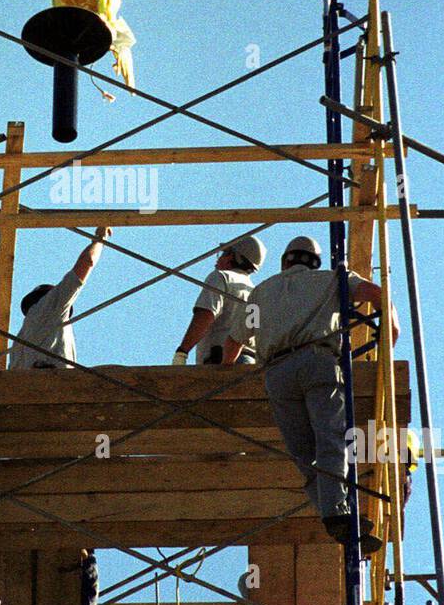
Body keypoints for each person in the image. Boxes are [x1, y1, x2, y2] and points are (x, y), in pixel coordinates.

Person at [223, 235, 400, 552]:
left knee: (304, 455)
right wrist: (392, 329)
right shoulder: (333, 279)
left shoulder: (262, 291)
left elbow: (234, 343)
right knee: (330, 442)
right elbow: (376, 295)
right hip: (316, 362)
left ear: (285, 261)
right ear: (315, 261)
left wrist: (226, 376)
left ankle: (336, 518)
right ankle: (337, 514)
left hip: (276, 374)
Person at [9, 227, 111, 369]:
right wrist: (100, 239)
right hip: (54, 380)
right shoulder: (51, 307)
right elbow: (86, 263)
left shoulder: (18, 344)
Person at [171, 235, 267, 366]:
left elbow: (206, 314)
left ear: (232, 257)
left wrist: (182, 351)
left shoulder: (221, 277)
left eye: (223, 254)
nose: (218, 260)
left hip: (222, 360)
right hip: (252, 365)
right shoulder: (257, 292)